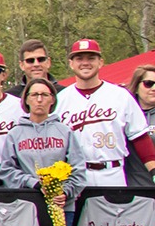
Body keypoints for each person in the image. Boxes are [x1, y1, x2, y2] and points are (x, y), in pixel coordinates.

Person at [1, 76, 87, 226]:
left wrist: (66, 192)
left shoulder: (65, 131)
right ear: (26, 100)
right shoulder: (16, 133)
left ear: (52, 100)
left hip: (61, 207)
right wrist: (33, 183)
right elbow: (7, 170)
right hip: (29, 207)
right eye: (34, 94)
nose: (39, 99)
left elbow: (79, 169)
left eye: (44, 95)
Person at [56, 39, 155, 189]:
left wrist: (153, 170)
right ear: (71, 63)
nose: (85, 63)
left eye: (91, 58)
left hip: (113, 172)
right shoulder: (60, 100)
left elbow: (140, 138)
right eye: (79, 58)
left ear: (101, 62)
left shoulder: (120, 96)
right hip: (75, 176)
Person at [127, 63, 155, 187]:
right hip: (132, 185)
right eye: (148, 83)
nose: (154, 88)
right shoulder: (124, 115)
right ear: (136, 85)